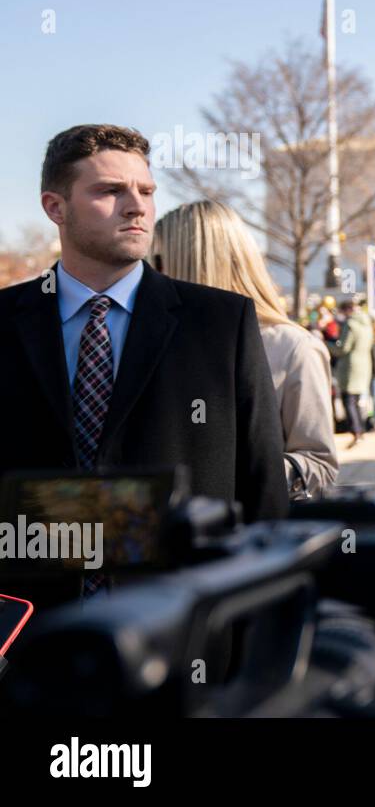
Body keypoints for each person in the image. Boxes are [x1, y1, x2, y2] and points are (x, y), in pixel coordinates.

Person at [0, 125, 286, 605]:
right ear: (55, 207)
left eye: (146, 191)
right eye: (110, 191)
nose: (136, 206)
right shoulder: (7, 322)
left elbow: (263, 494)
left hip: (184, 623)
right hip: (29, 631)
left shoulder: (220, 322)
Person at [151, 199, 338, 499]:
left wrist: (243, 471)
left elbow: (319, 465)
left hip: (247, 523)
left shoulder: (293, 348)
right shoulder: (155, 341)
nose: (151, 274)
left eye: (158, 261)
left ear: (194, 263)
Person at [330, 299, 373, 449]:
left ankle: (356, 431)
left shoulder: (351, 325)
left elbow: (343, 348)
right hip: (364, 364)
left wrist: (326, 344)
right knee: (358, 400)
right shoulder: (367, 324)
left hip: (351, 367)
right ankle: (361, 428)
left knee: (349, 401)